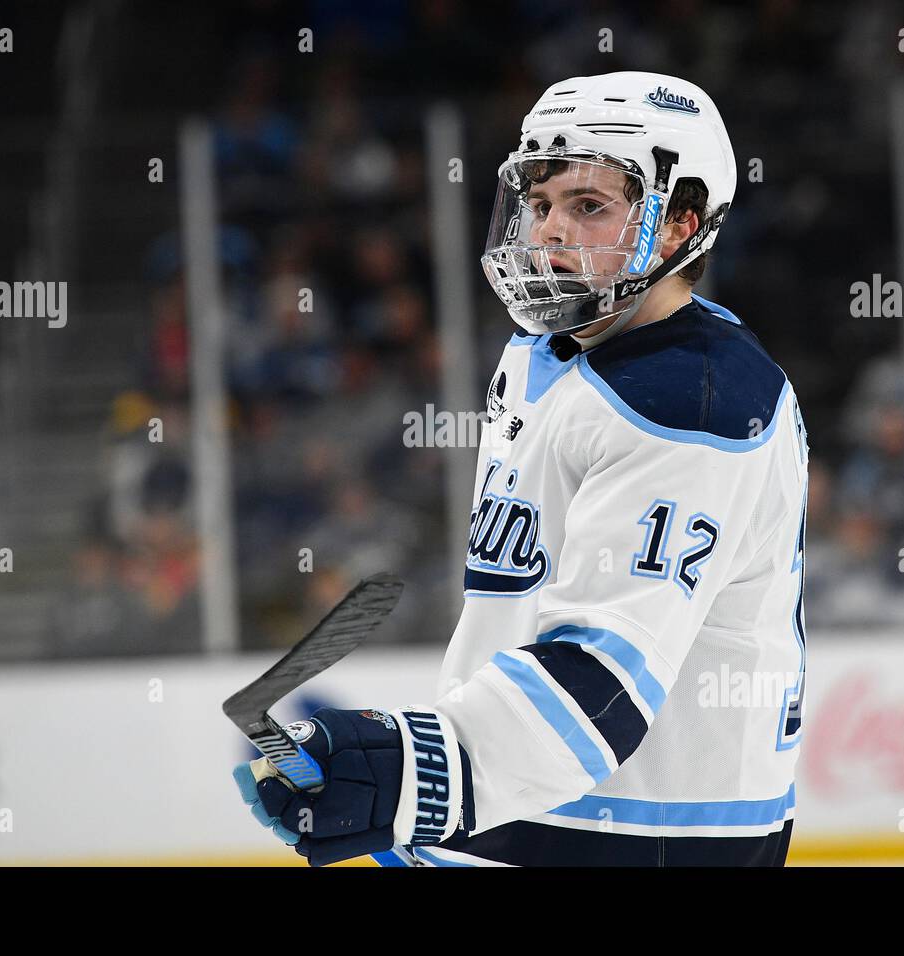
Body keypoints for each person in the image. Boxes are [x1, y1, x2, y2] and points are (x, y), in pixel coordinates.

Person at [235, 72, 809, 866]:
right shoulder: (545, 354)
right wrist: (417, 793)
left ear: (680, 226)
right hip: (527, 820)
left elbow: (602, 684)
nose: (548, 234)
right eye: (540, 206)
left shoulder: (696, 404)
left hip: (652, 840)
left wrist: (413, 772)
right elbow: (520, 621)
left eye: (589, 206)